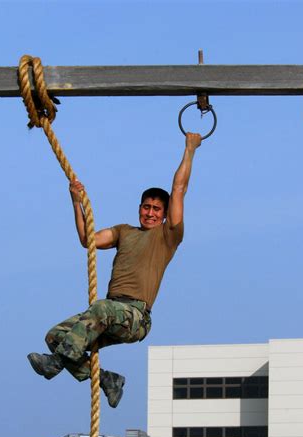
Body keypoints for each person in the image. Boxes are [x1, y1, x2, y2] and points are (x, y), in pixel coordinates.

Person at [28, 132, 202, 408]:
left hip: (134, 316)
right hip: (110, 314)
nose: (150, 213)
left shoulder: (168, 236)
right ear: (139, 208)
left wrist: (190, 148)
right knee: (55, 336)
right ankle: (107, 380)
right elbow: (88, 240)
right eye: (146, 207)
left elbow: (178, 188)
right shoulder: (124, 232)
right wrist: (75, 201)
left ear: (165, 214)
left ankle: (56, 364)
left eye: (157, 209)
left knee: (100, 309)